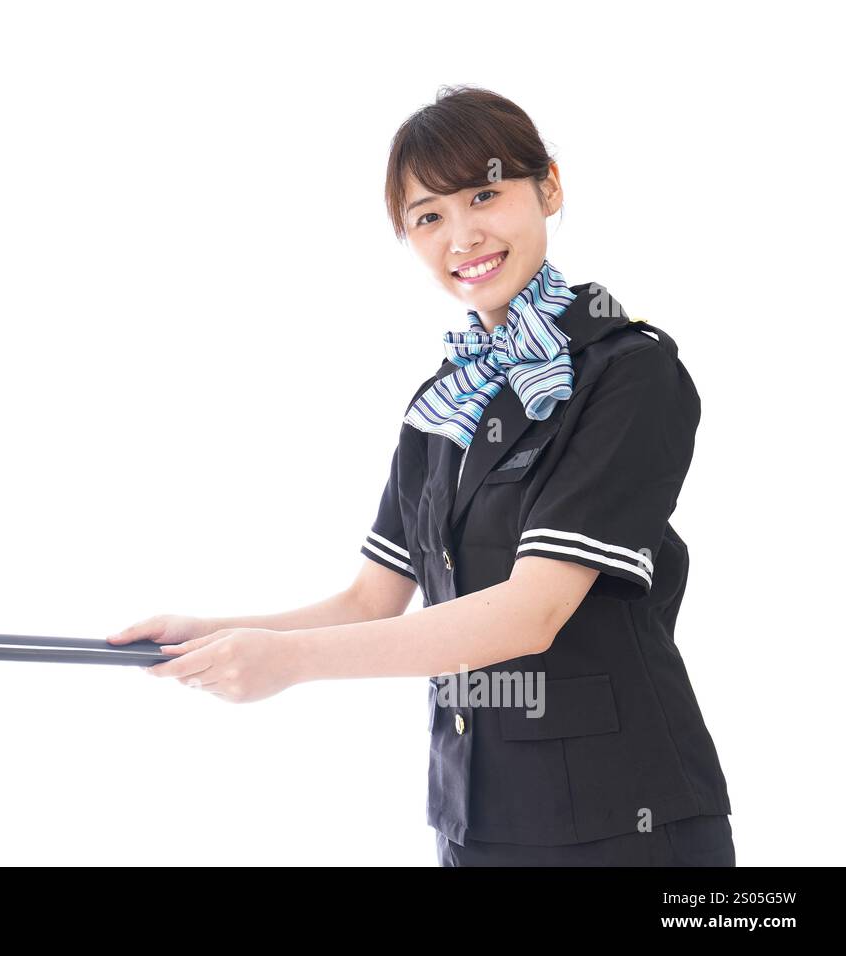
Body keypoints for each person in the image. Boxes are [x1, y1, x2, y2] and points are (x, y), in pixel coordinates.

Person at [105, 85, 733, 867]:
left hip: (623, 821)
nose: (462, 235)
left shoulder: (629, 371)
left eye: (485, 194)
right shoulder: (445, 402)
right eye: (428, 216)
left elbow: (531, 612)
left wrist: (287, 664)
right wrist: (219, 635)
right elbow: (371, 600)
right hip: (474, 817)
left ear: (549, 188)